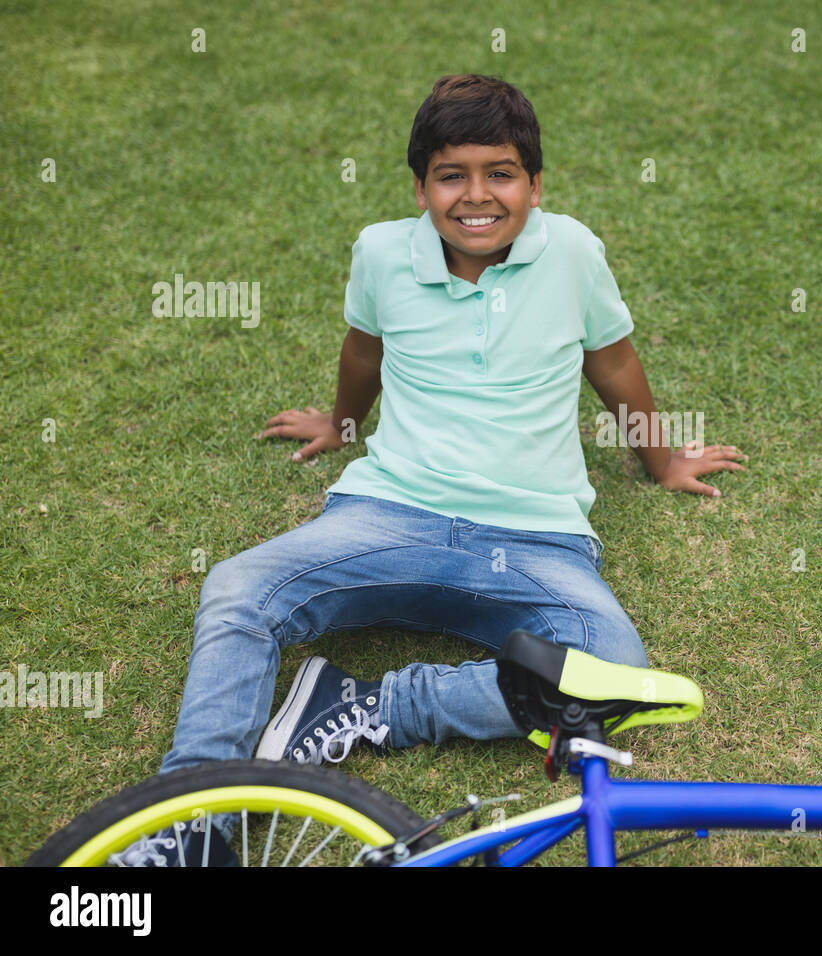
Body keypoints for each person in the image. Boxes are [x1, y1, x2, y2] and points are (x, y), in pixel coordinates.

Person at [115, 73, 747, 865]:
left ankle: (357, 705)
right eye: (452, 175)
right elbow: (364, 349)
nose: (475, 196)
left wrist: (661, 460)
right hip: (388, 516)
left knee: (615, 670)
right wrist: (341, 423)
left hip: (539, 540)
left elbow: (613, 362)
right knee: (240, 589)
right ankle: (190, 823)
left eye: (500, 173)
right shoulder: (382, 252)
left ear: (535, 184)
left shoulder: (574, 252)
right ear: (420, 187)